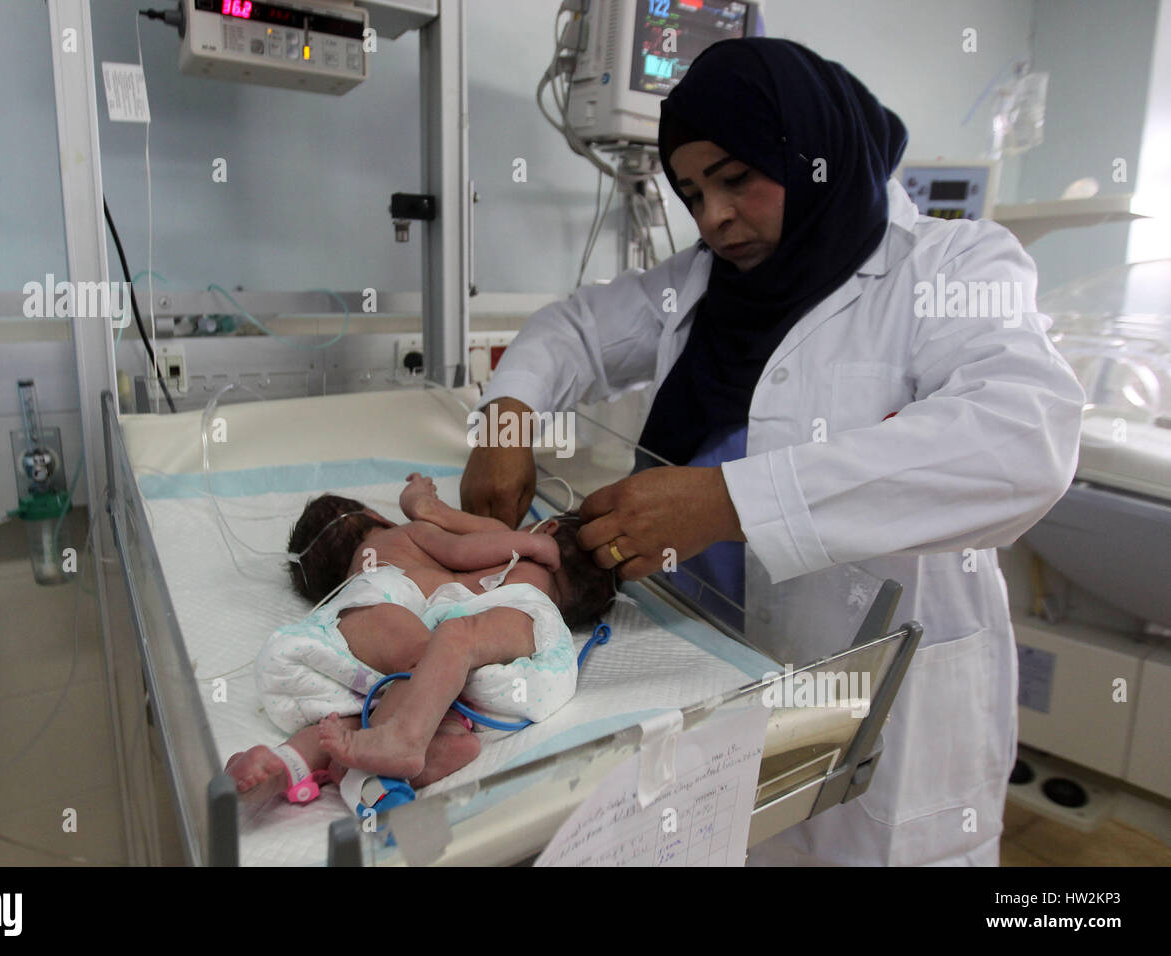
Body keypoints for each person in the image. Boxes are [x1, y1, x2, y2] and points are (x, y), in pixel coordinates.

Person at [460, 37, 1085, 866]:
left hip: (884, 733)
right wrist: (506, 423)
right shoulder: (707, 285)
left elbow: (1023, 440)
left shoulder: (952, 267)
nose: (713, 216)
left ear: (809, 151)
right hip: (714, 684)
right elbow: (572, 330)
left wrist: (726, 503)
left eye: (735, 178)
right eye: (691, 193)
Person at [227, 475, 616, 803]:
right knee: (399, 682)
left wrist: (428, 508)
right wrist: (423, 505)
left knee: (368, 701)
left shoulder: (423, 559)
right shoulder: (416, 540)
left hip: (436, 644)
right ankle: (397, 746)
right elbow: (460, 547)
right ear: (377, 517)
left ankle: (299, 761)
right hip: (446, 647)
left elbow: (462, 548)